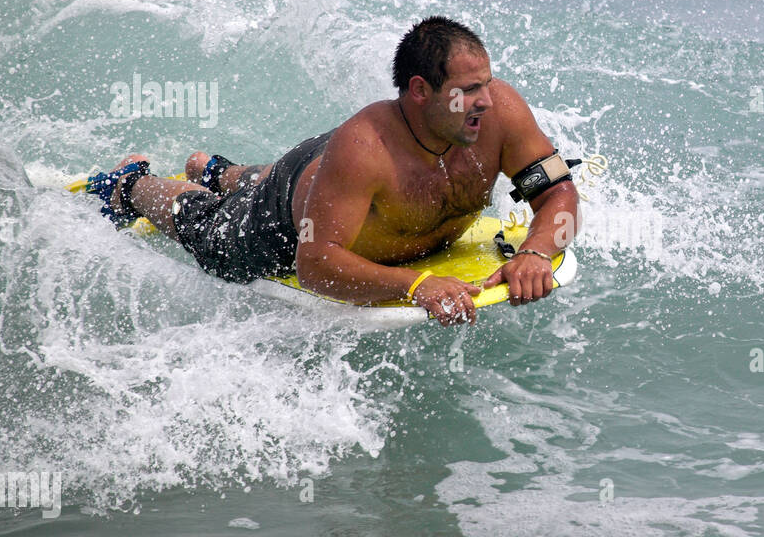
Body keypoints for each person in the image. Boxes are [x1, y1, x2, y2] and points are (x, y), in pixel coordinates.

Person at [85, 16, 580, 326]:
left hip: (326, 177)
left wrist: (537, 252)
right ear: (420, 90)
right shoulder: (364, 149)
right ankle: (132, 184)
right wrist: (413, 285)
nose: (486, 101)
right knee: (211, 231)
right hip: (285, 212)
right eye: (469, 90)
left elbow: (559, 194)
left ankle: (219, 169)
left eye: (487, 84)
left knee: (290, 183)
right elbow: (315, 264)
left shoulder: (500, 114)